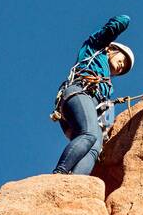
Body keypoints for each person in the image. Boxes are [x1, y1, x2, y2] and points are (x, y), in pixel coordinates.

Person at [51, 14, 134, 176]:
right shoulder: (94, 49)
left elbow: (105, 116)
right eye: (122, 59)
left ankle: (74, 182)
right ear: (111, 49)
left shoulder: (107, 88)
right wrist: (124, 22)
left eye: (124, 68)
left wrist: (106, 132)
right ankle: (60, 173)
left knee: (95, 147)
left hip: (90, 105)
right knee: (88, 134)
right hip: (79, 93)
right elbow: (118, 23)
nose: (122, 66)